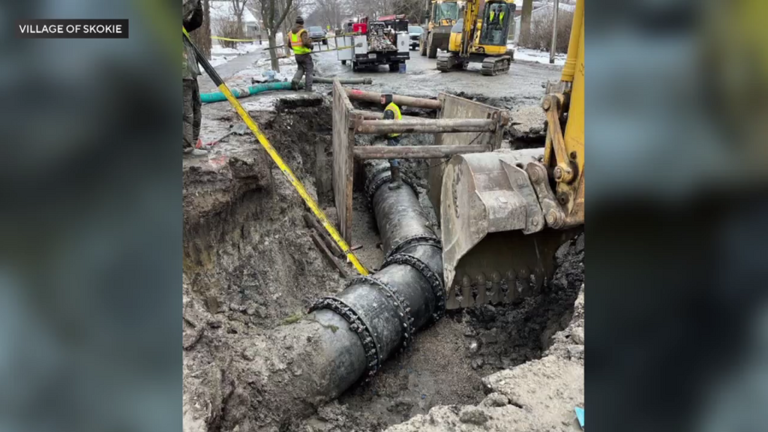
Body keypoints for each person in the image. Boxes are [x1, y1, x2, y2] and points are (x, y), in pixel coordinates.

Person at [183, 0, 206, 156]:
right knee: (184, 113)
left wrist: (197, 5)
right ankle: (184, 148)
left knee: (196, 108)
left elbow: (195, 22)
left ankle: (193, 143)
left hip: (189, 72)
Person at [381, 93, 403, 189]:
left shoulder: (389, 110)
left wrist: (384, 135)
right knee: (394, 157)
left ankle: (397, 180)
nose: (381, 99)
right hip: (397, 134)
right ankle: (394, 178)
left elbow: (387, 126)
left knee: (392, 157)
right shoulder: (393, 106)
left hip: (392, 136)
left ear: (388, 98)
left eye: (383, 97)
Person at [289, 16, 314, 92]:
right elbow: (305, 42)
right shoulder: (302, 31)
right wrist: (311, 46)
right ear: (302, 23)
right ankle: (308, 89)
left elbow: (289, 44)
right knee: (309, 70)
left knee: (300, 69)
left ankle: (295, 81)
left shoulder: (291, 32)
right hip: (305, 55)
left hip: (297, 55)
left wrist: (296, 49)